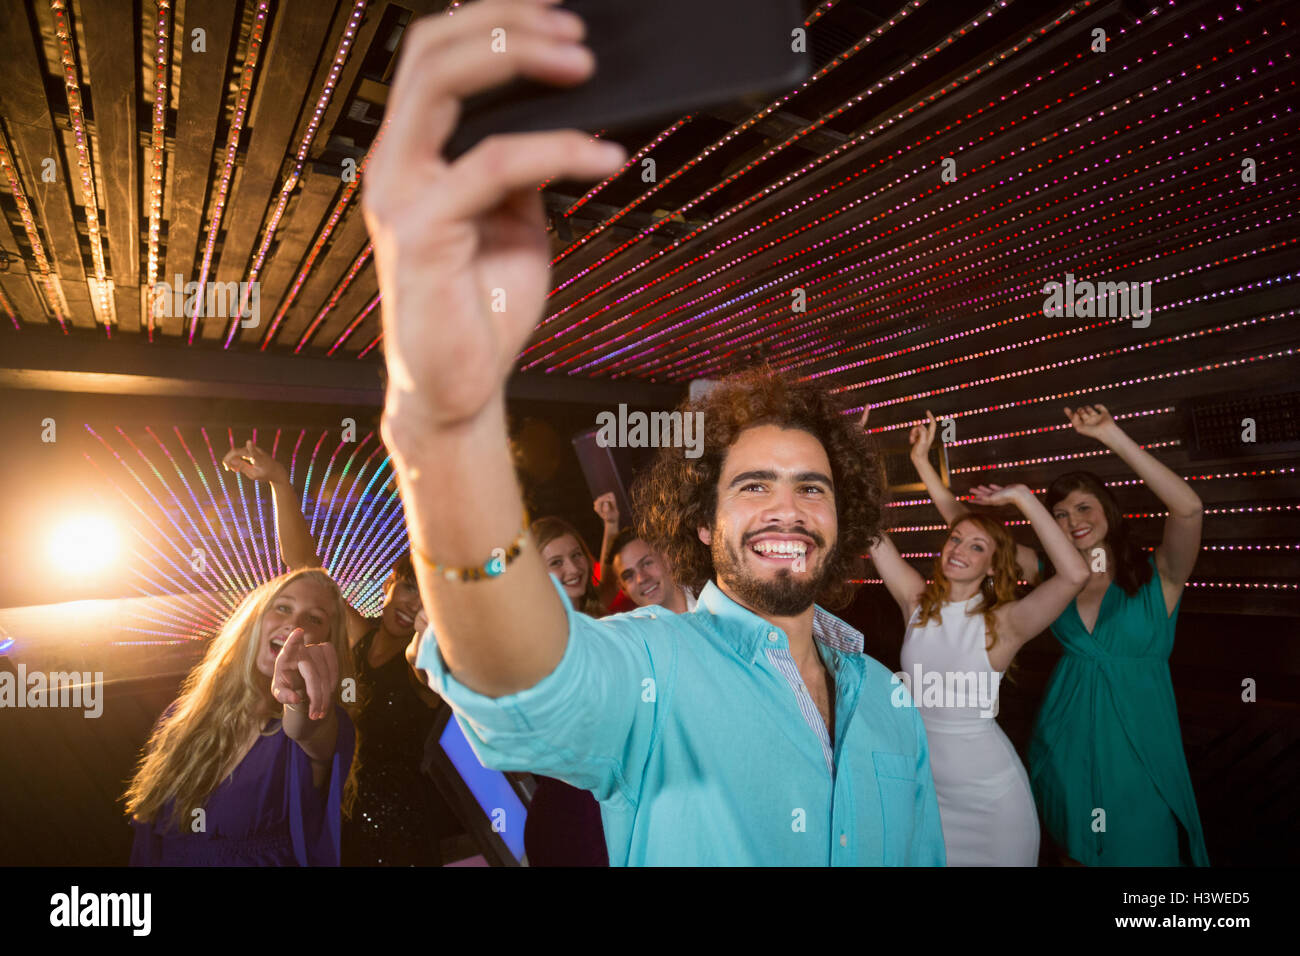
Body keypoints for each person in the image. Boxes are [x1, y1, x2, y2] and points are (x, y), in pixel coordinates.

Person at [365, 0, 943, 865]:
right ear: (705, 527)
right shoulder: (650, 663)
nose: (786, 507)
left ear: (842, 523)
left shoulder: (890, 698)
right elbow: (524, 687)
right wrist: (444, 431)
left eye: (810, 486)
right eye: (753, 484)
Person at [908, 404, 1210, 866]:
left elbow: (1189, 509)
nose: (1073, 521)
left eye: (1084, 507)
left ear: (1108, 510)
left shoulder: (1159, 577)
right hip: (1064, 732)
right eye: (1061, 514)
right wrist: (923, 466)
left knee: (1147, 847)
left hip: (1140, 737)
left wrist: (1111, 433)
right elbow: (970, 528)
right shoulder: (1050, 574)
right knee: (1073, 848)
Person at [222, 440, 463, 865]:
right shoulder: (357, 636)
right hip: (335, 804)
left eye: (428, 599)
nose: (413, 604)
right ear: (388, 586)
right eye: (409, 587)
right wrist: (280, 482)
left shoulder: (423, 662)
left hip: (398, 824)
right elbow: (305, 567)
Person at [865, 408, 1088, 865]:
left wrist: (1025, 499)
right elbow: (867, 530)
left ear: (992, 566)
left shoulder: (1004, 622)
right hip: (925, 786)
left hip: (989, 799)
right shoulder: (916, 602)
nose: (959, 550)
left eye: (977, 546)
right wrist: (855, 451)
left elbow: (1075, 574)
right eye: (955, 540)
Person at [125, 569, 355, 865]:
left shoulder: (324, 723)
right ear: (254, 620)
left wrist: (296, 692)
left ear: (327, 644)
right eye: (283, 607)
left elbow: (307, 728)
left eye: (314, 619)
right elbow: (147, 840)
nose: (293, 625)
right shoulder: (180, 715)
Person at [608, 526, 696, 614]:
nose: (641, 579)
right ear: (623, 589)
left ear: (667, 558)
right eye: (629, 576)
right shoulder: (639, 626)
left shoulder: (707, 594)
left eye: (646, 564)